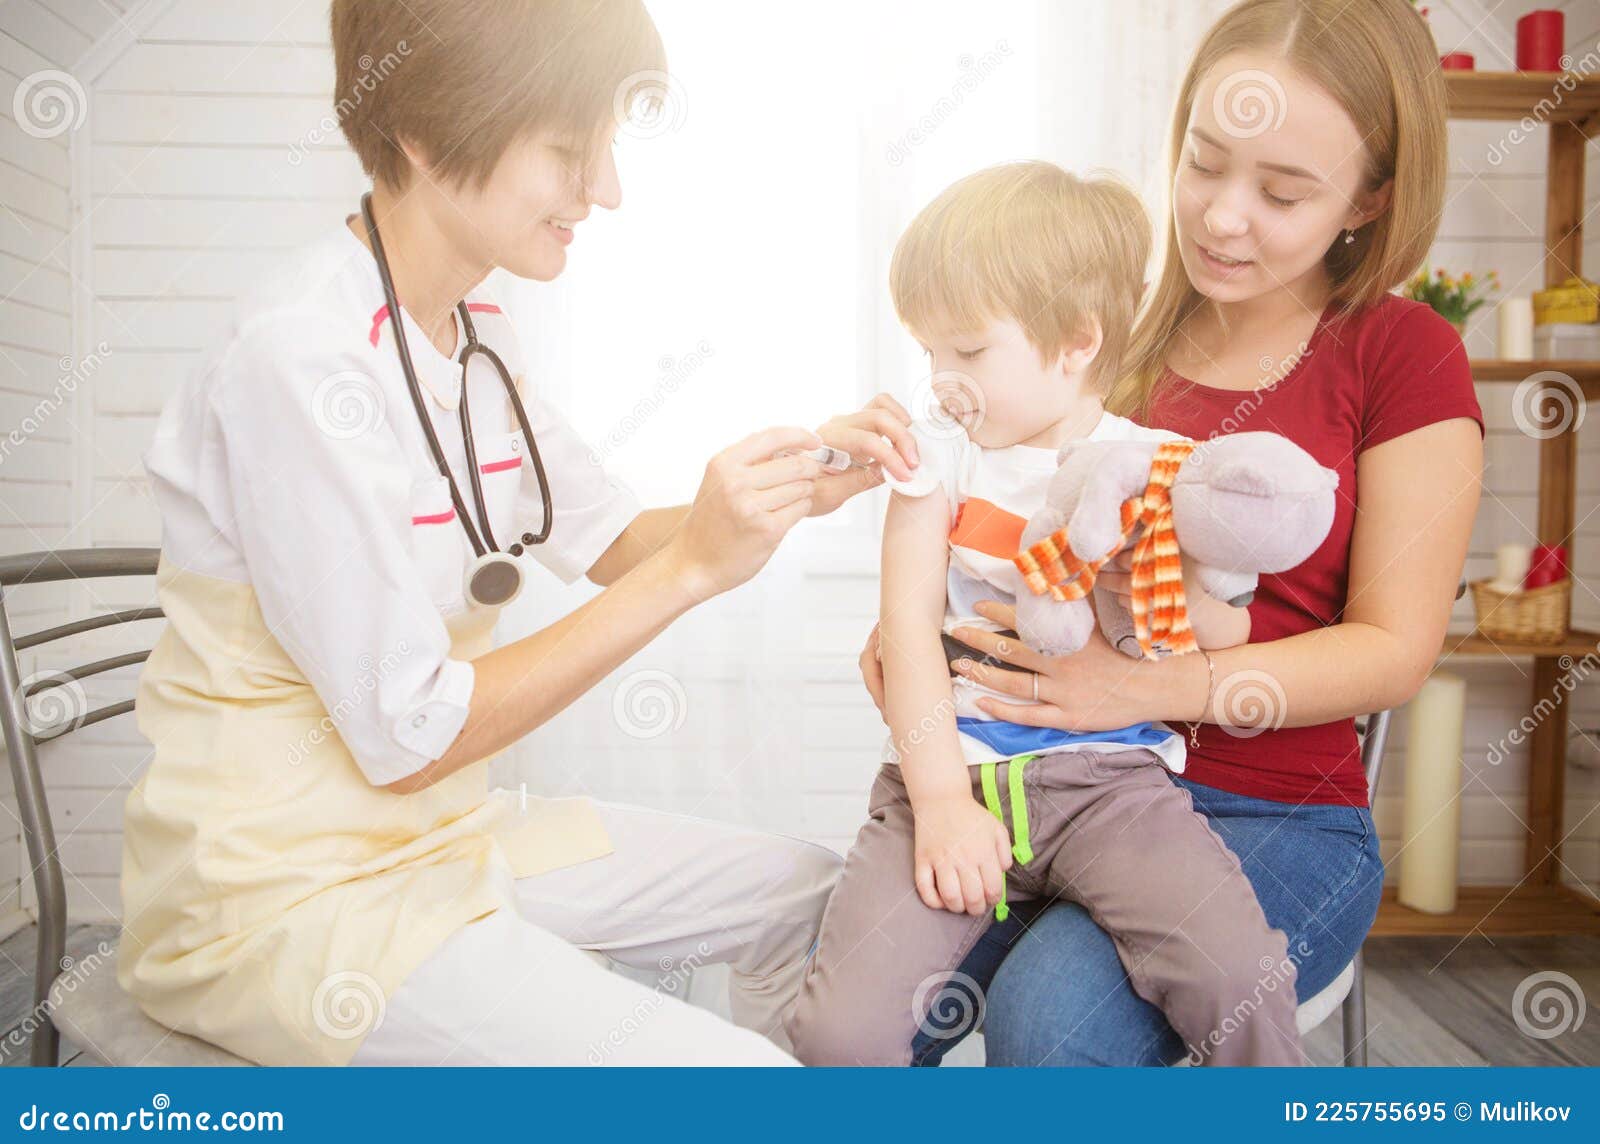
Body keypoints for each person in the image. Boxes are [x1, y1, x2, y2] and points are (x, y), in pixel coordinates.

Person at [117, 0, 917, 1066]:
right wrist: (690, 569)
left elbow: (616, 538)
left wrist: (796, 485)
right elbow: (408, 734)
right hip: (283, 896)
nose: (606, 188)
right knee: (742, 1081)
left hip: (443, 839)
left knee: (818, 895)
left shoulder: (476, 332)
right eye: (569, 148)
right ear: (422, 127)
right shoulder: (299, 357)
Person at [858, 0, 1484, 1066]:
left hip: (1271, 814)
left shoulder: (1400, 352)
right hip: (1047, 779)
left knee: (1050, 1025)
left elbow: (1394, 650)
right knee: (858, 1006)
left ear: (1369, 199)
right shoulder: (1105, 339)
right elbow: (993, 540)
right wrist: (922, 645)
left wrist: (1147, 688)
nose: (1221, 218)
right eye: (1204, 162)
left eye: (1281, 192)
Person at [788, 163, 1304, 1067]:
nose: (942, 382)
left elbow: (1226, 633)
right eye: (930, 353)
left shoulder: (1158, 465)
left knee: (1238, 978)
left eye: (967, 351)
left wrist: (1158, 585)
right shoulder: (939, 462)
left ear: (1076, 341)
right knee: (840, 1036)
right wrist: (941, 802)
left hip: (1110, 789)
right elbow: (906, 635)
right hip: (947, 781)